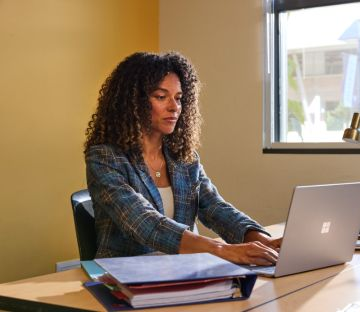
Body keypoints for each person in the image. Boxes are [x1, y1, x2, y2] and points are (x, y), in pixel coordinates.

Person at [84, 51, 281, 265]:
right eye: (161, 97)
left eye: (178, 98)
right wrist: (222, 250)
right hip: (125, 276)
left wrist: (263, 242)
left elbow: (214, 207)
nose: (174, 107)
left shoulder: (183, 157)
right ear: (132, 102)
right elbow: (143, 222)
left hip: (182, 271)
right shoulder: (104, 157)